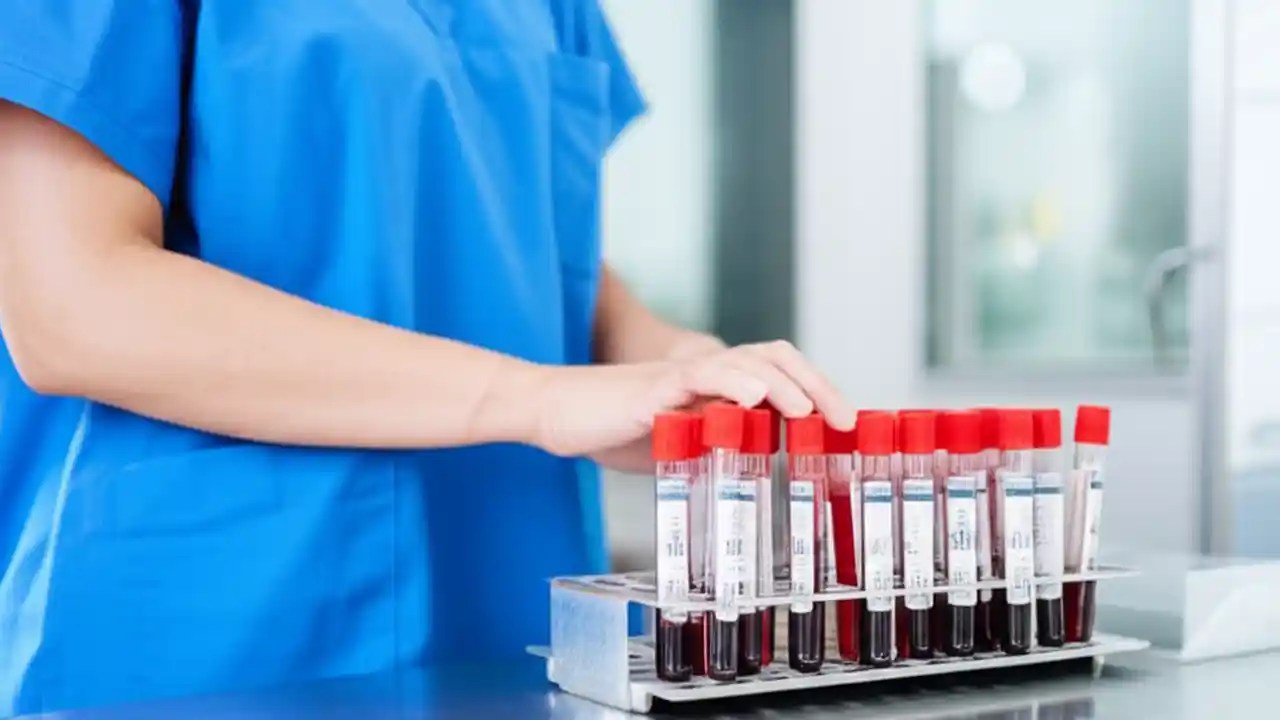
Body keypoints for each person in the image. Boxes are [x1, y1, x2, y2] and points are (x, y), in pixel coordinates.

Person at [0, 1, 855, 715]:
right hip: (220, 635)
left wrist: (676, 364)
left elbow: (533, 241)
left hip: (507, 614)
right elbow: (73, 306)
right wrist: (543, 401)